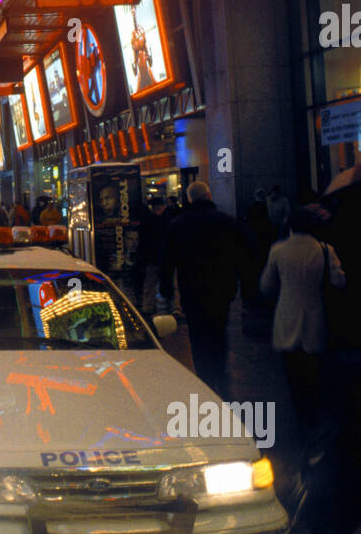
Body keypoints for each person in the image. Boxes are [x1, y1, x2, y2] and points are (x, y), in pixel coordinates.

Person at [259, 206, 346, 458]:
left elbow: (266, 285)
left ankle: (300, 420)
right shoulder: (324, 249)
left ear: (290, 226)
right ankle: (313, 420)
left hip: (286, 317)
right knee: (315, 373)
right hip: (316, 318)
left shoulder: (278, 250)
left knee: (293, 374)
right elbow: (339, 281)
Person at [158, 180, 251, 398]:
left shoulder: (179, 225)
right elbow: (245, 254)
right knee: (219, 330)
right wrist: (245, 286)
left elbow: (167, 259)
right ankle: (220, 369)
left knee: (198, 335)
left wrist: (166, 288)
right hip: (222, 288)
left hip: (192, 290)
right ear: (209, 196)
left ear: (189, 199)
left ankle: (205, 377)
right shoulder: (227, 222)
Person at [134, 194, 171, 316]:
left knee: (150, 282)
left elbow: (143, 241)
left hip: (154, 256)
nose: (157, 209)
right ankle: (174, 307)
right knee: (168, 282)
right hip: (162, 256)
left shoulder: (148, 221)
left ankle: (148, 306)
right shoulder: (169, 219)